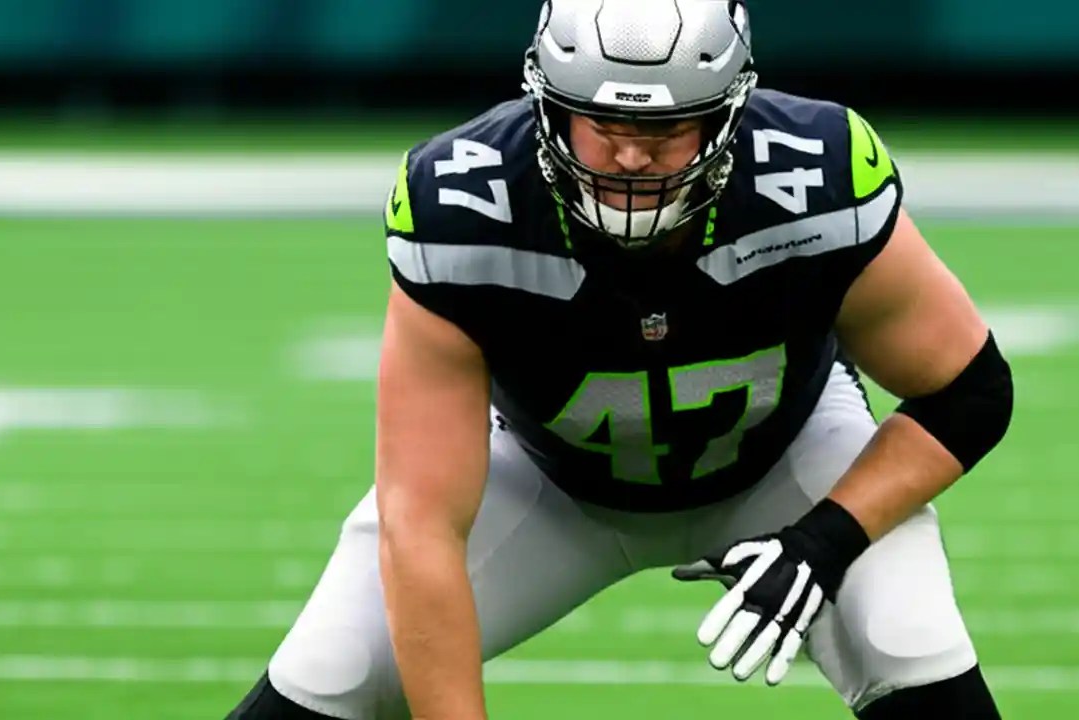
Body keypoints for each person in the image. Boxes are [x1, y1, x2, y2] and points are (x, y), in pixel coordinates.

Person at [228, 1, 1013, 718]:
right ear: (547, 108)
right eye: (602, 124)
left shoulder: (818, 175)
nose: (631, 156)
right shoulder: (460, 209)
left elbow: (971, 390)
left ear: (727, 116)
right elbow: (421, 523)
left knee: (905, 638)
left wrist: (826, 538)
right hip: (548, 479)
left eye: (665, 130)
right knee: (337, 668)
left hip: (786, 459)